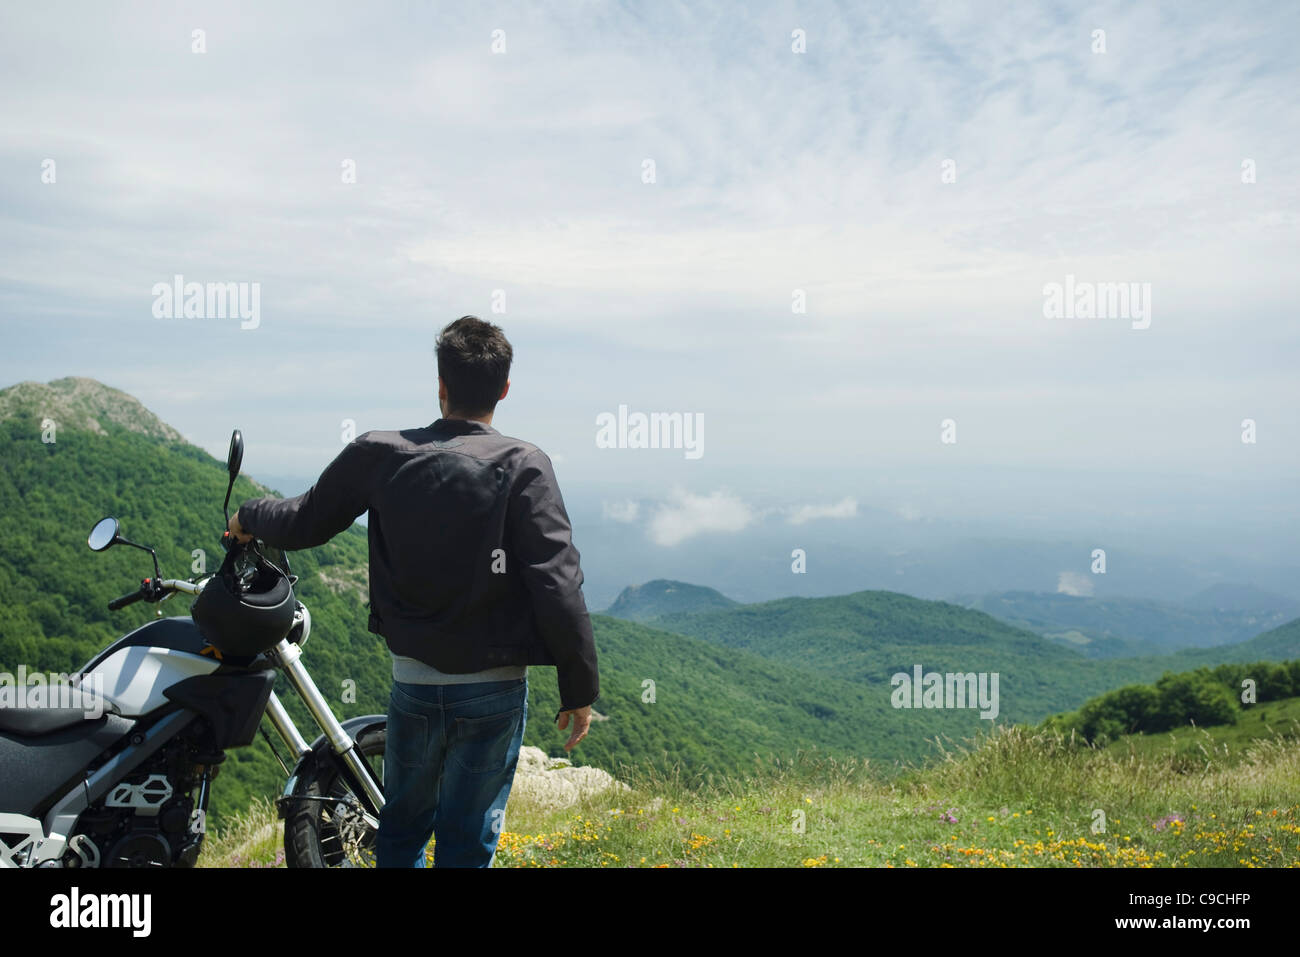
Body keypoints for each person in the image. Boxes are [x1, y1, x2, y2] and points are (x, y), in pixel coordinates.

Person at [227, 315, 599, 867]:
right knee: (468, 840)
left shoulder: (382, 454)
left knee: (400, 832)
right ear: (503, 389)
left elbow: (304, 520)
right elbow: (557, 581)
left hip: (414, 685)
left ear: (441, 386)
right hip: (494, 690)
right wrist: (579, 685)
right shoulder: (525, 466)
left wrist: (248, 518)